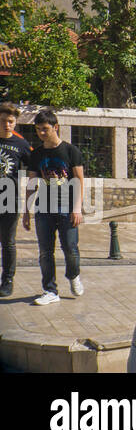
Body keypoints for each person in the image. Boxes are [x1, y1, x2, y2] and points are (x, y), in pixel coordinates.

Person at [22, 109, 84, 306]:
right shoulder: (37, 154)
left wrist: (77, 208)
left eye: (45, 129)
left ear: (55, 127)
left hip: (67, 207)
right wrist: (26, 210)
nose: (41, 133)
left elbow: (79, 181)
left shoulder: (70, 151)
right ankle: (50, 290)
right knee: (45, 251)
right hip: (44, 209)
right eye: (38, 129)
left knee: (70, 249)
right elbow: (31, 183)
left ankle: (73, 275)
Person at [0, 102, 32, 298]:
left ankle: (7, 280)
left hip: (9, 200)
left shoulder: (21, 144)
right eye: (3, 120)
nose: (7, 125)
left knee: (8, 243)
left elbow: (34, 167)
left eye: (11, 121)